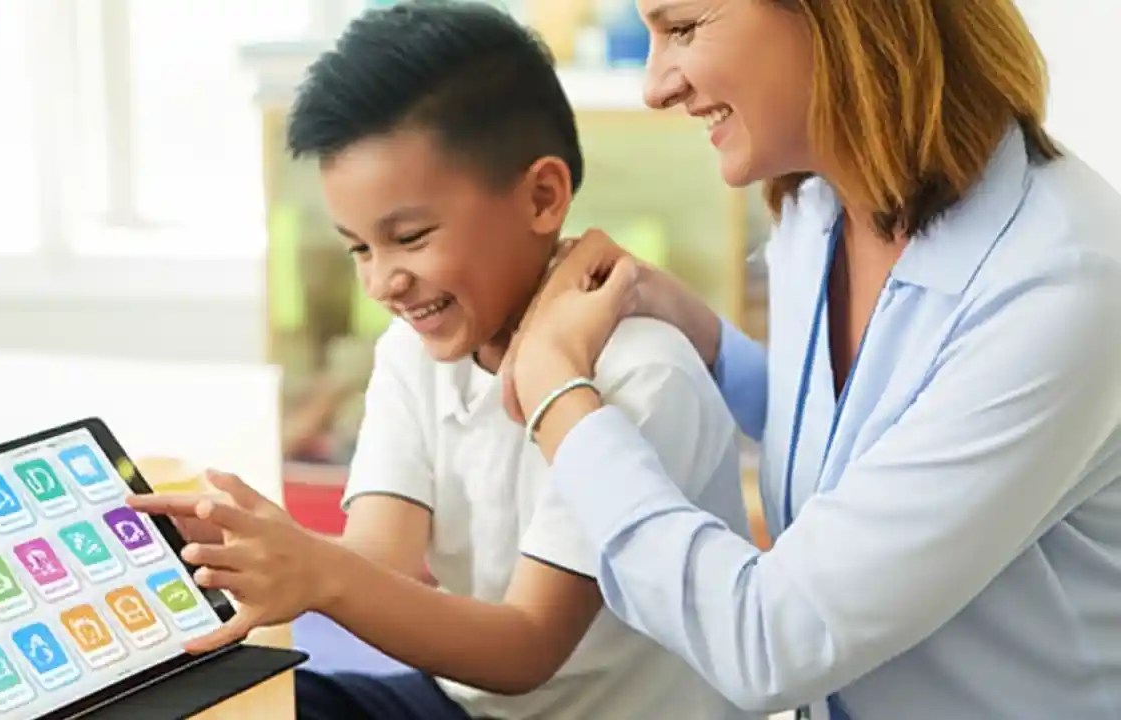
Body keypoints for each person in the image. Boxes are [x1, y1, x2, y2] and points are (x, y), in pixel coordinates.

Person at [130, 2, 753, 719]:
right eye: (360, 246)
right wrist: (264, 547)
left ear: (543, 196)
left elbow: (526, 647)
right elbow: (380, 561)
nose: (381, 281)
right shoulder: (415, 349)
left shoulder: (643, 375)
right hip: (467, 705)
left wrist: (316, 571)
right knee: (247, 706)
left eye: (412, 236)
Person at [501, 0, 1121, 718]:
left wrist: (558, 395)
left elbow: (772, 641)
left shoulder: (1062, 284)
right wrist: (690, 324)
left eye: (683, 29)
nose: (655, 86)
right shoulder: (819, 203)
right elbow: (860, 443)